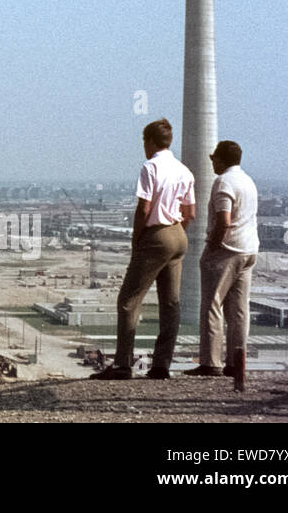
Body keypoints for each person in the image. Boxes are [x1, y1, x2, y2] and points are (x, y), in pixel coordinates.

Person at [90, 118, 195, 379]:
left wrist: (138, 239)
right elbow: (190, 212)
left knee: (128, 301)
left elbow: (144, 208)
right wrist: (177, 232)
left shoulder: (151, 167)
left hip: (155, 235)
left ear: (149, 142)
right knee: (170, 303)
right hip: (178, 233)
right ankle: (162, 366)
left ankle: (123, 365)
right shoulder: (184, 170)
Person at [185, 140, 258, 378]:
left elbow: (224, 220)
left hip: (226, 249)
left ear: (222, 159)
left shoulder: (224, 181)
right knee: (239, 311)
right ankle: (237, 362)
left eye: (214, 157)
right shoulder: (248, 181)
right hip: (248, 250)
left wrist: (212, 246)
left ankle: (211, 363)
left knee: (212, 305)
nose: (212, 161)